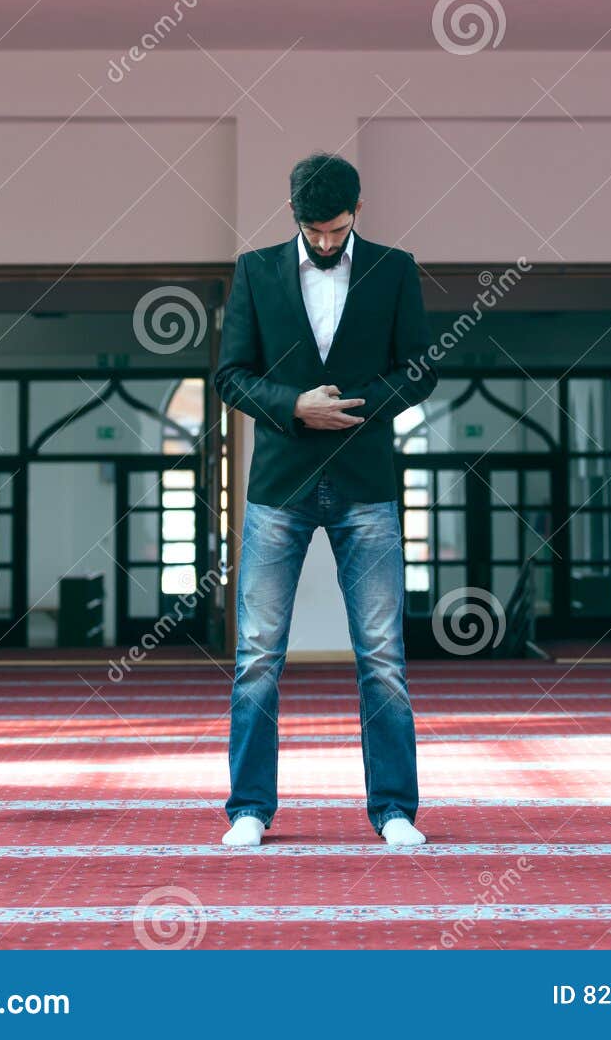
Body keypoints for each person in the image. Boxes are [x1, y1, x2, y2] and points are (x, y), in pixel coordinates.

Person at [214, 152, 438, 848]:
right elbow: (228, 375)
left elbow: (421, 369)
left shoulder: (394, 269)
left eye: (336, 230)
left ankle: (394, 810)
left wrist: (359, 406)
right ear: (294, 218)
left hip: (365, 483)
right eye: (313, 231)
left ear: (357, 213)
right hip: (279, 485)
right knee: (256, 653)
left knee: (381, 655)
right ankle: (249, 809)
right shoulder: (253, 271)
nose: (324, 242)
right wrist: (293, 407)